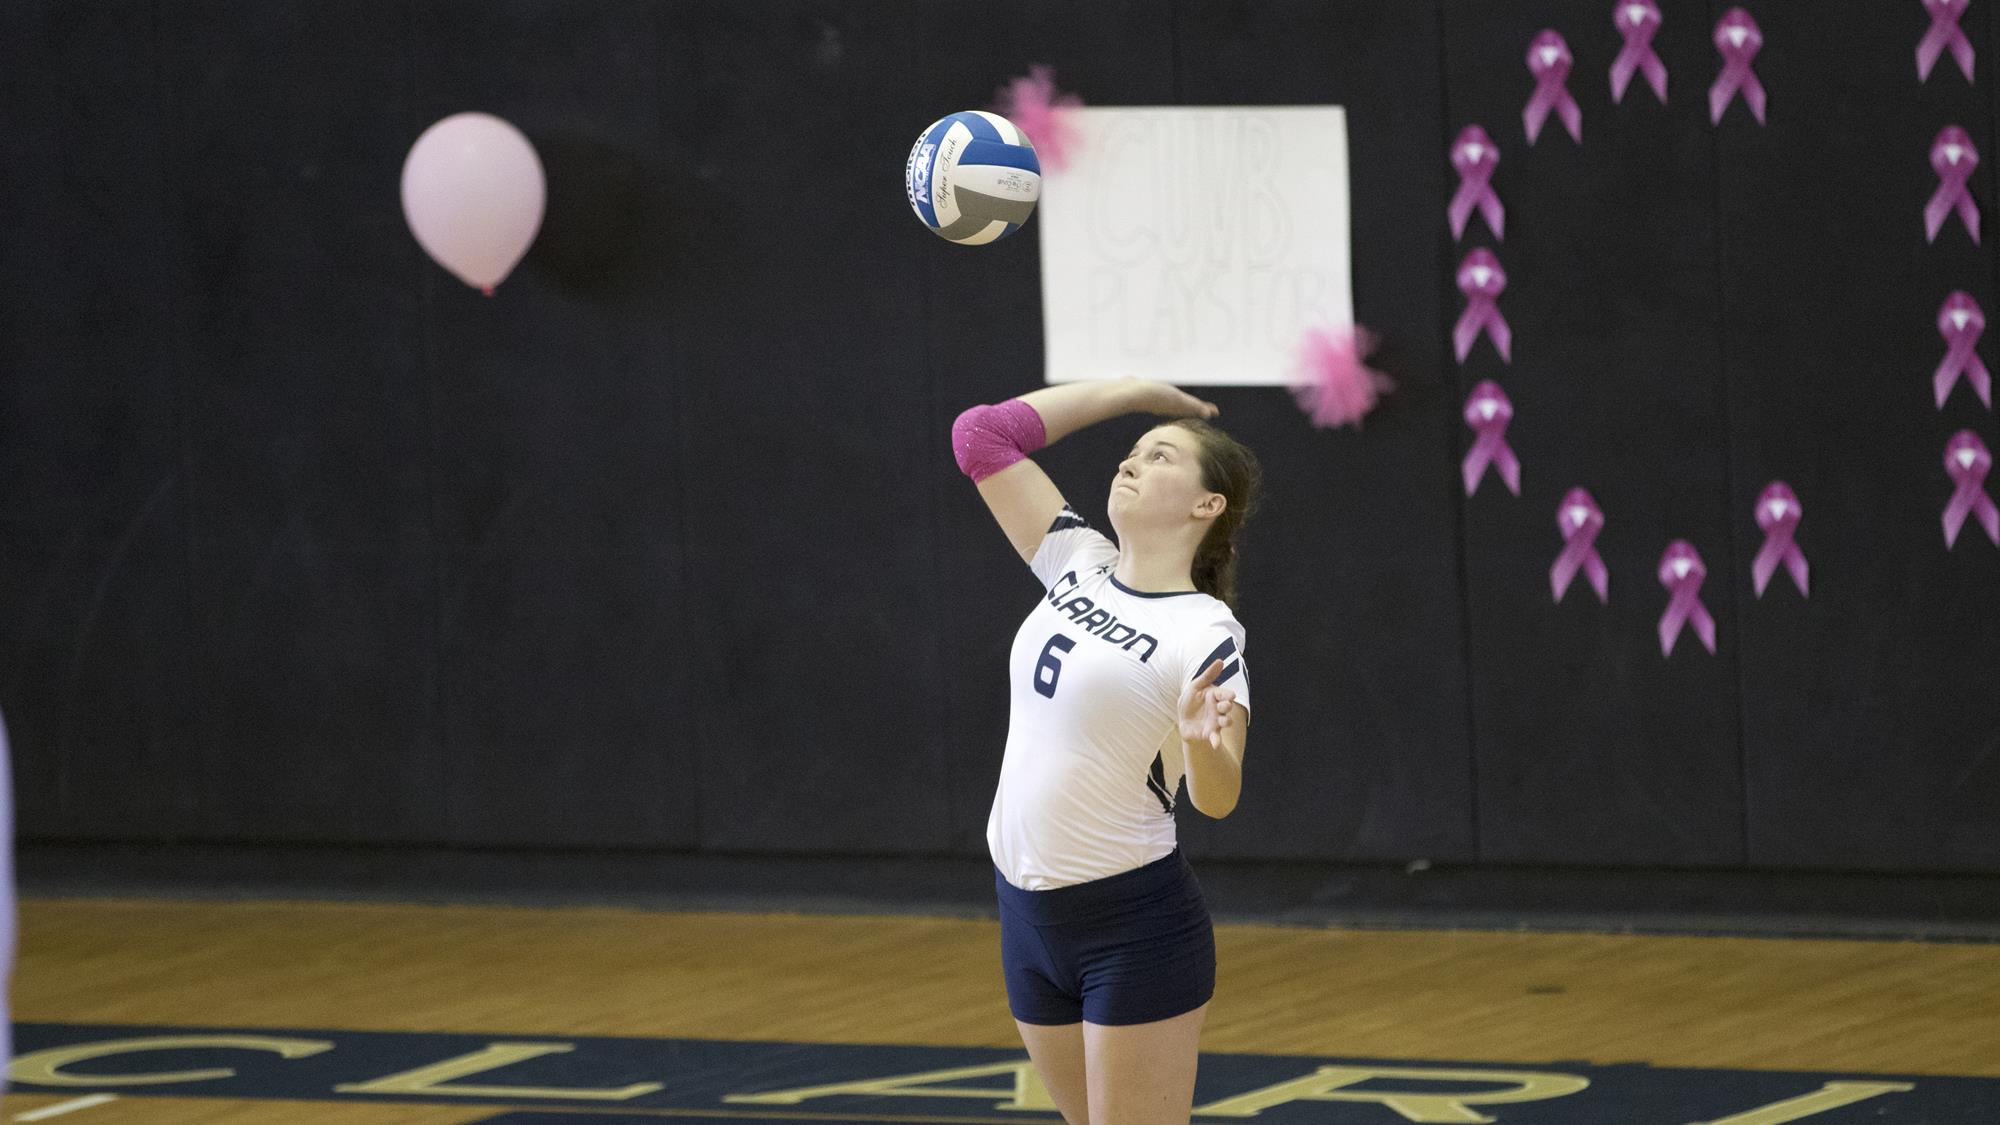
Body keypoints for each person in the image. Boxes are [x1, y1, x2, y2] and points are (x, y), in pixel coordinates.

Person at [949, 377, 1260, 1125]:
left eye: (1158, 456)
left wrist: (1201, 744)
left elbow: (1218, 796)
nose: (1131, 462)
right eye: (1131, 452)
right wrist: (1133, 395)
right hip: (1025, 917)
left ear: (1206, 505)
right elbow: (980, 434)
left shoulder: (1204, 629)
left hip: (1130, 926)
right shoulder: (1076, 560)